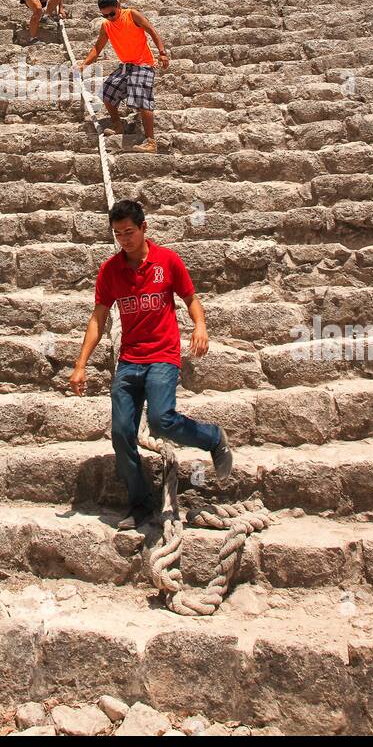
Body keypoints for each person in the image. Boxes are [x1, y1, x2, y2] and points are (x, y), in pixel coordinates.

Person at [70, 199, 232, 529]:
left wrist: (200, 325)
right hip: (130, 360)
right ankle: (141, 503)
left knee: (160, 420)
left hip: (162, 356)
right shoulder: (110, 271)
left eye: (129, 232)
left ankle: (213, 437)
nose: (124, 239)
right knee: (121, 433)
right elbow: (98, 318)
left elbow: (191, 299)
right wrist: (80, 364)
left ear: (144, 228)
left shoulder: (167, 261)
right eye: (118, 234)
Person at [77, 0, 168, 153]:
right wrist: (84, 64)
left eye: (112, 13)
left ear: (118, 6)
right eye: (105, 15)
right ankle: (118, 125)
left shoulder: (132, 15)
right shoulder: (106, 26)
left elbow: (152, 31)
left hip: (143, 64)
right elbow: (97, 48)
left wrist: (162, 52)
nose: (110, 17)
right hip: (126, 66)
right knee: (107, 92)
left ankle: (151, 142)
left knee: (142, 98)